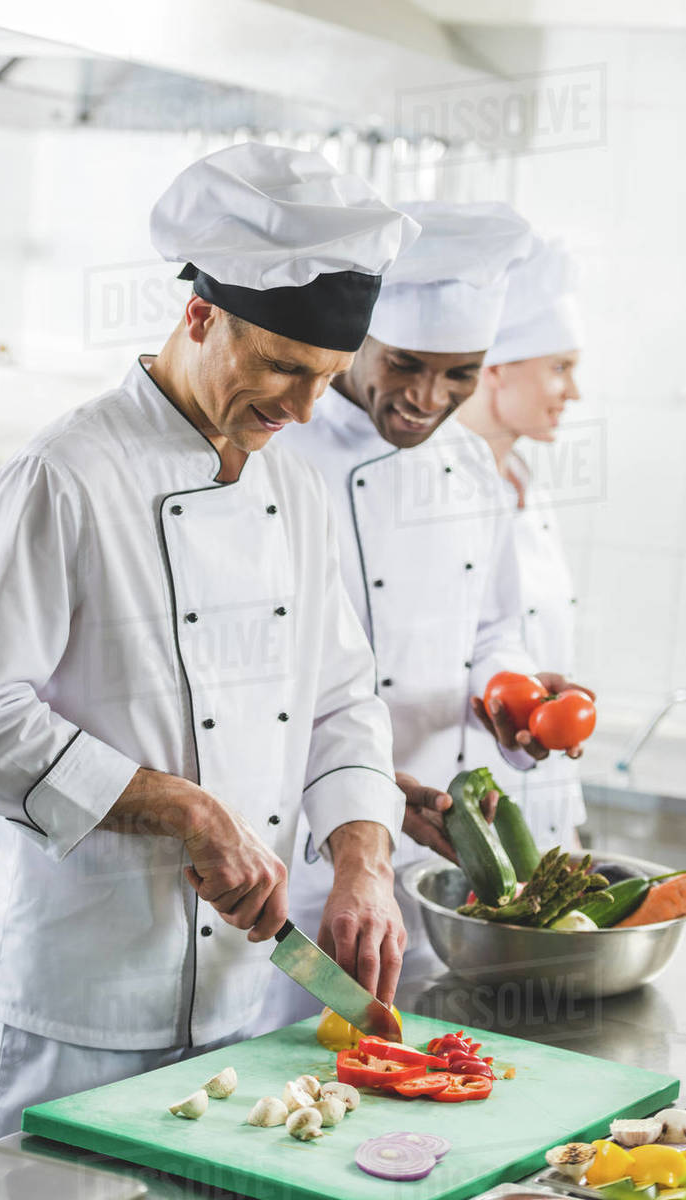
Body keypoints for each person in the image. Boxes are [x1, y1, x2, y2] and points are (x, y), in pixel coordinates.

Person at [0, 142, 421, 1141]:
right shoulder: (64, 474)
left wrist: (364, 858)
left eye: (327, 377)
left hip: (245, 997)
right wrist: (186, 808)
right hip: (81, 1003)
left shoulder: (295, 487)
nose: (303, 408)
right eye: (282, 367)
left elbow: (340, 699)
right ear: (200, 316)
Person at [259, 202, 591, 1031]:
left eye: (459, 376)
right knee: (290, 1068)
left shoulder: (468, 465)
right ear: (356, 341)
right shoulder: (274, 450)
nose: (424, 397)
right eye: (405, 363)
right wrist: (355, 803)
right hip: (299, 850)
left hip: (434, 849)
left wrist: (510, 695)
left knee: (408, 1068)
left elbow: (490, 628)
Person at [457, 235, 587, 849]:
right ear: (496, 368)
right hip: (465, 808)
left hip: (545, 799)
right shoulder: (436, 494)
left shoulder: (526, 484)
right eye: (560, 367)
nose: (573, 391)